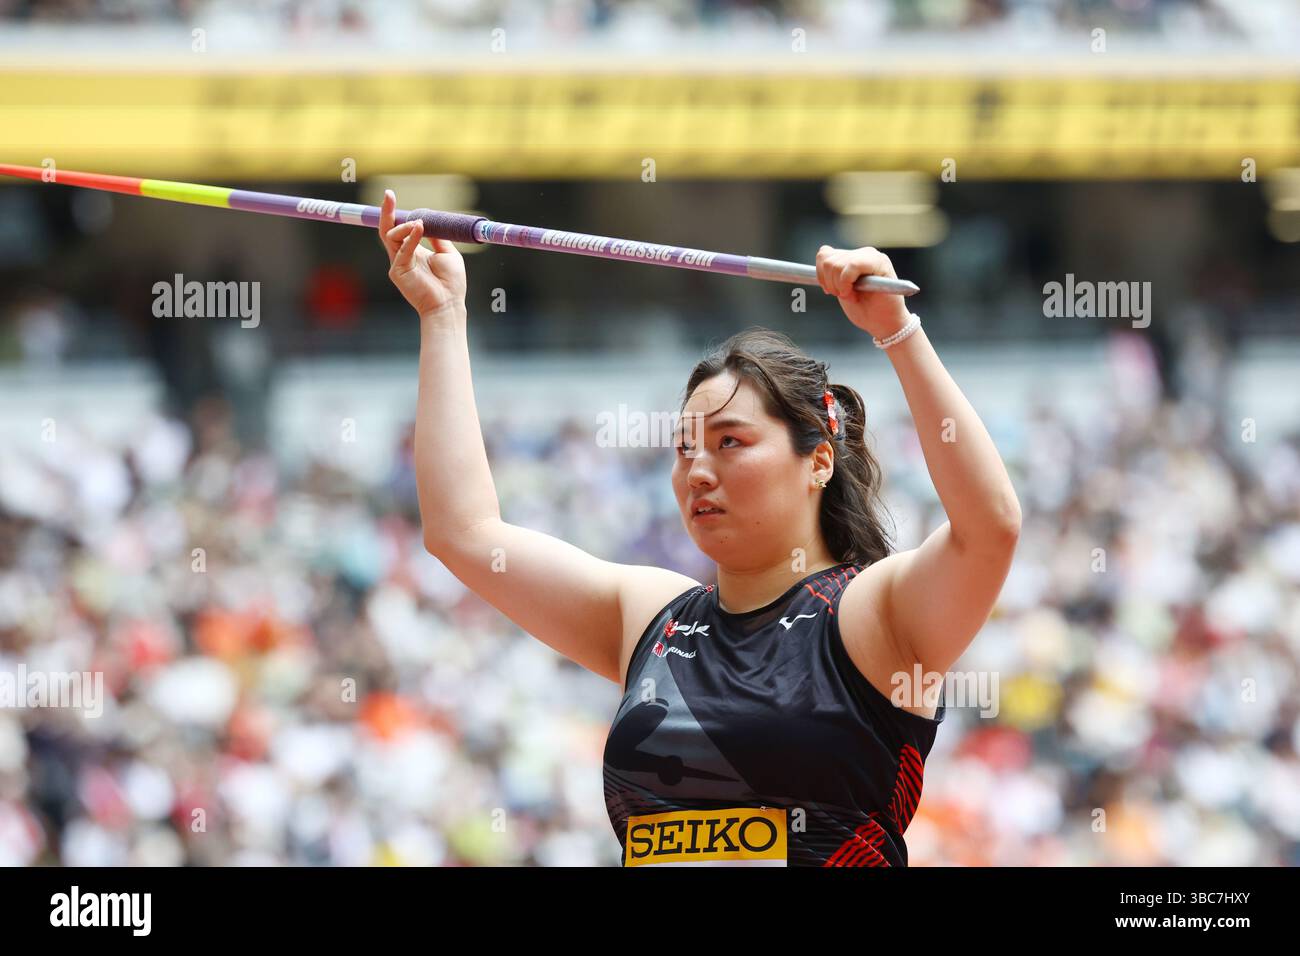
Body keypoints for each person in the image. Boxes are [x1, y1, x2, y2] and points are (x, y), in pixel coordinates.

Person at [378, 191, 1021, 867]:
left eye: (731, 442)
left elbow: (990, 528)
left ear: (818, 461)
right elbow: (464, 532)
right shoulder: (648, 618)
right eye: (684, 448)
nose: (697, 471)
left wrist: (898, 331)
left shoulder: (874, 616)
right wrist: (443, 315)